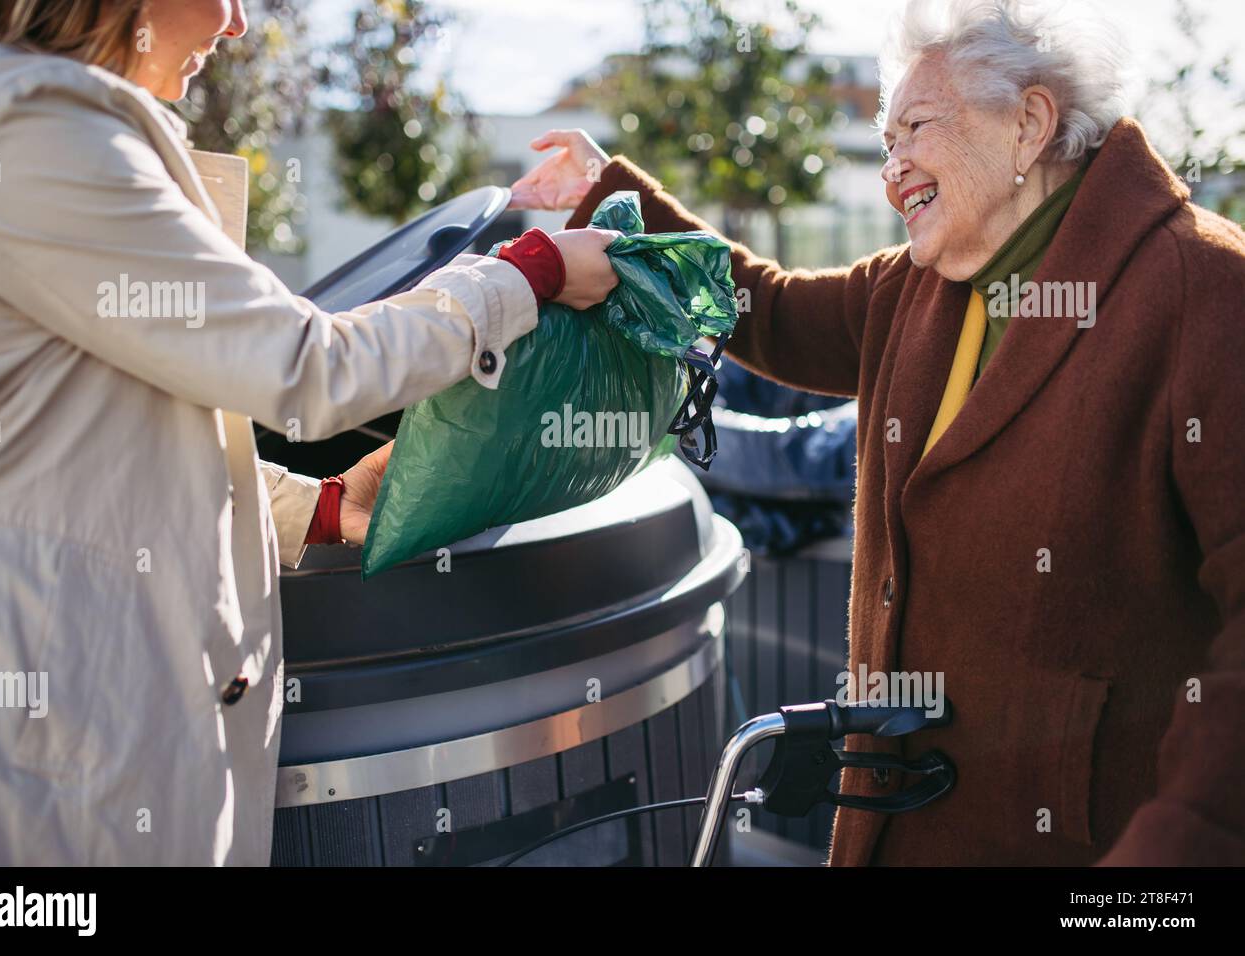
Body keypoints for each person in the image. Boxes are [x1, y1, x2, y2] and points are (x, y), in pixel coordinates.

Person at [513, 0, 1245, 865]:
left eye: (915, 131)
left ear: (1030, 124)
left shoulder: (1204, 288)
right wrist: (612, 195)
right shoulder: (914, 287)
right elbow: (768, 308)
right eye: (885, 144)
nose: (890, 171)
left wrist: (1185, 845)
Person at [0, 0, 618, 865]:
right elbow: (305, 371)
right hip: (57, 735)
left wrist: (324, 507)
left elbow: (98, 428)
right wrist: (533, 270)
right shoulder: (29, 122)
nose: (234, 24)